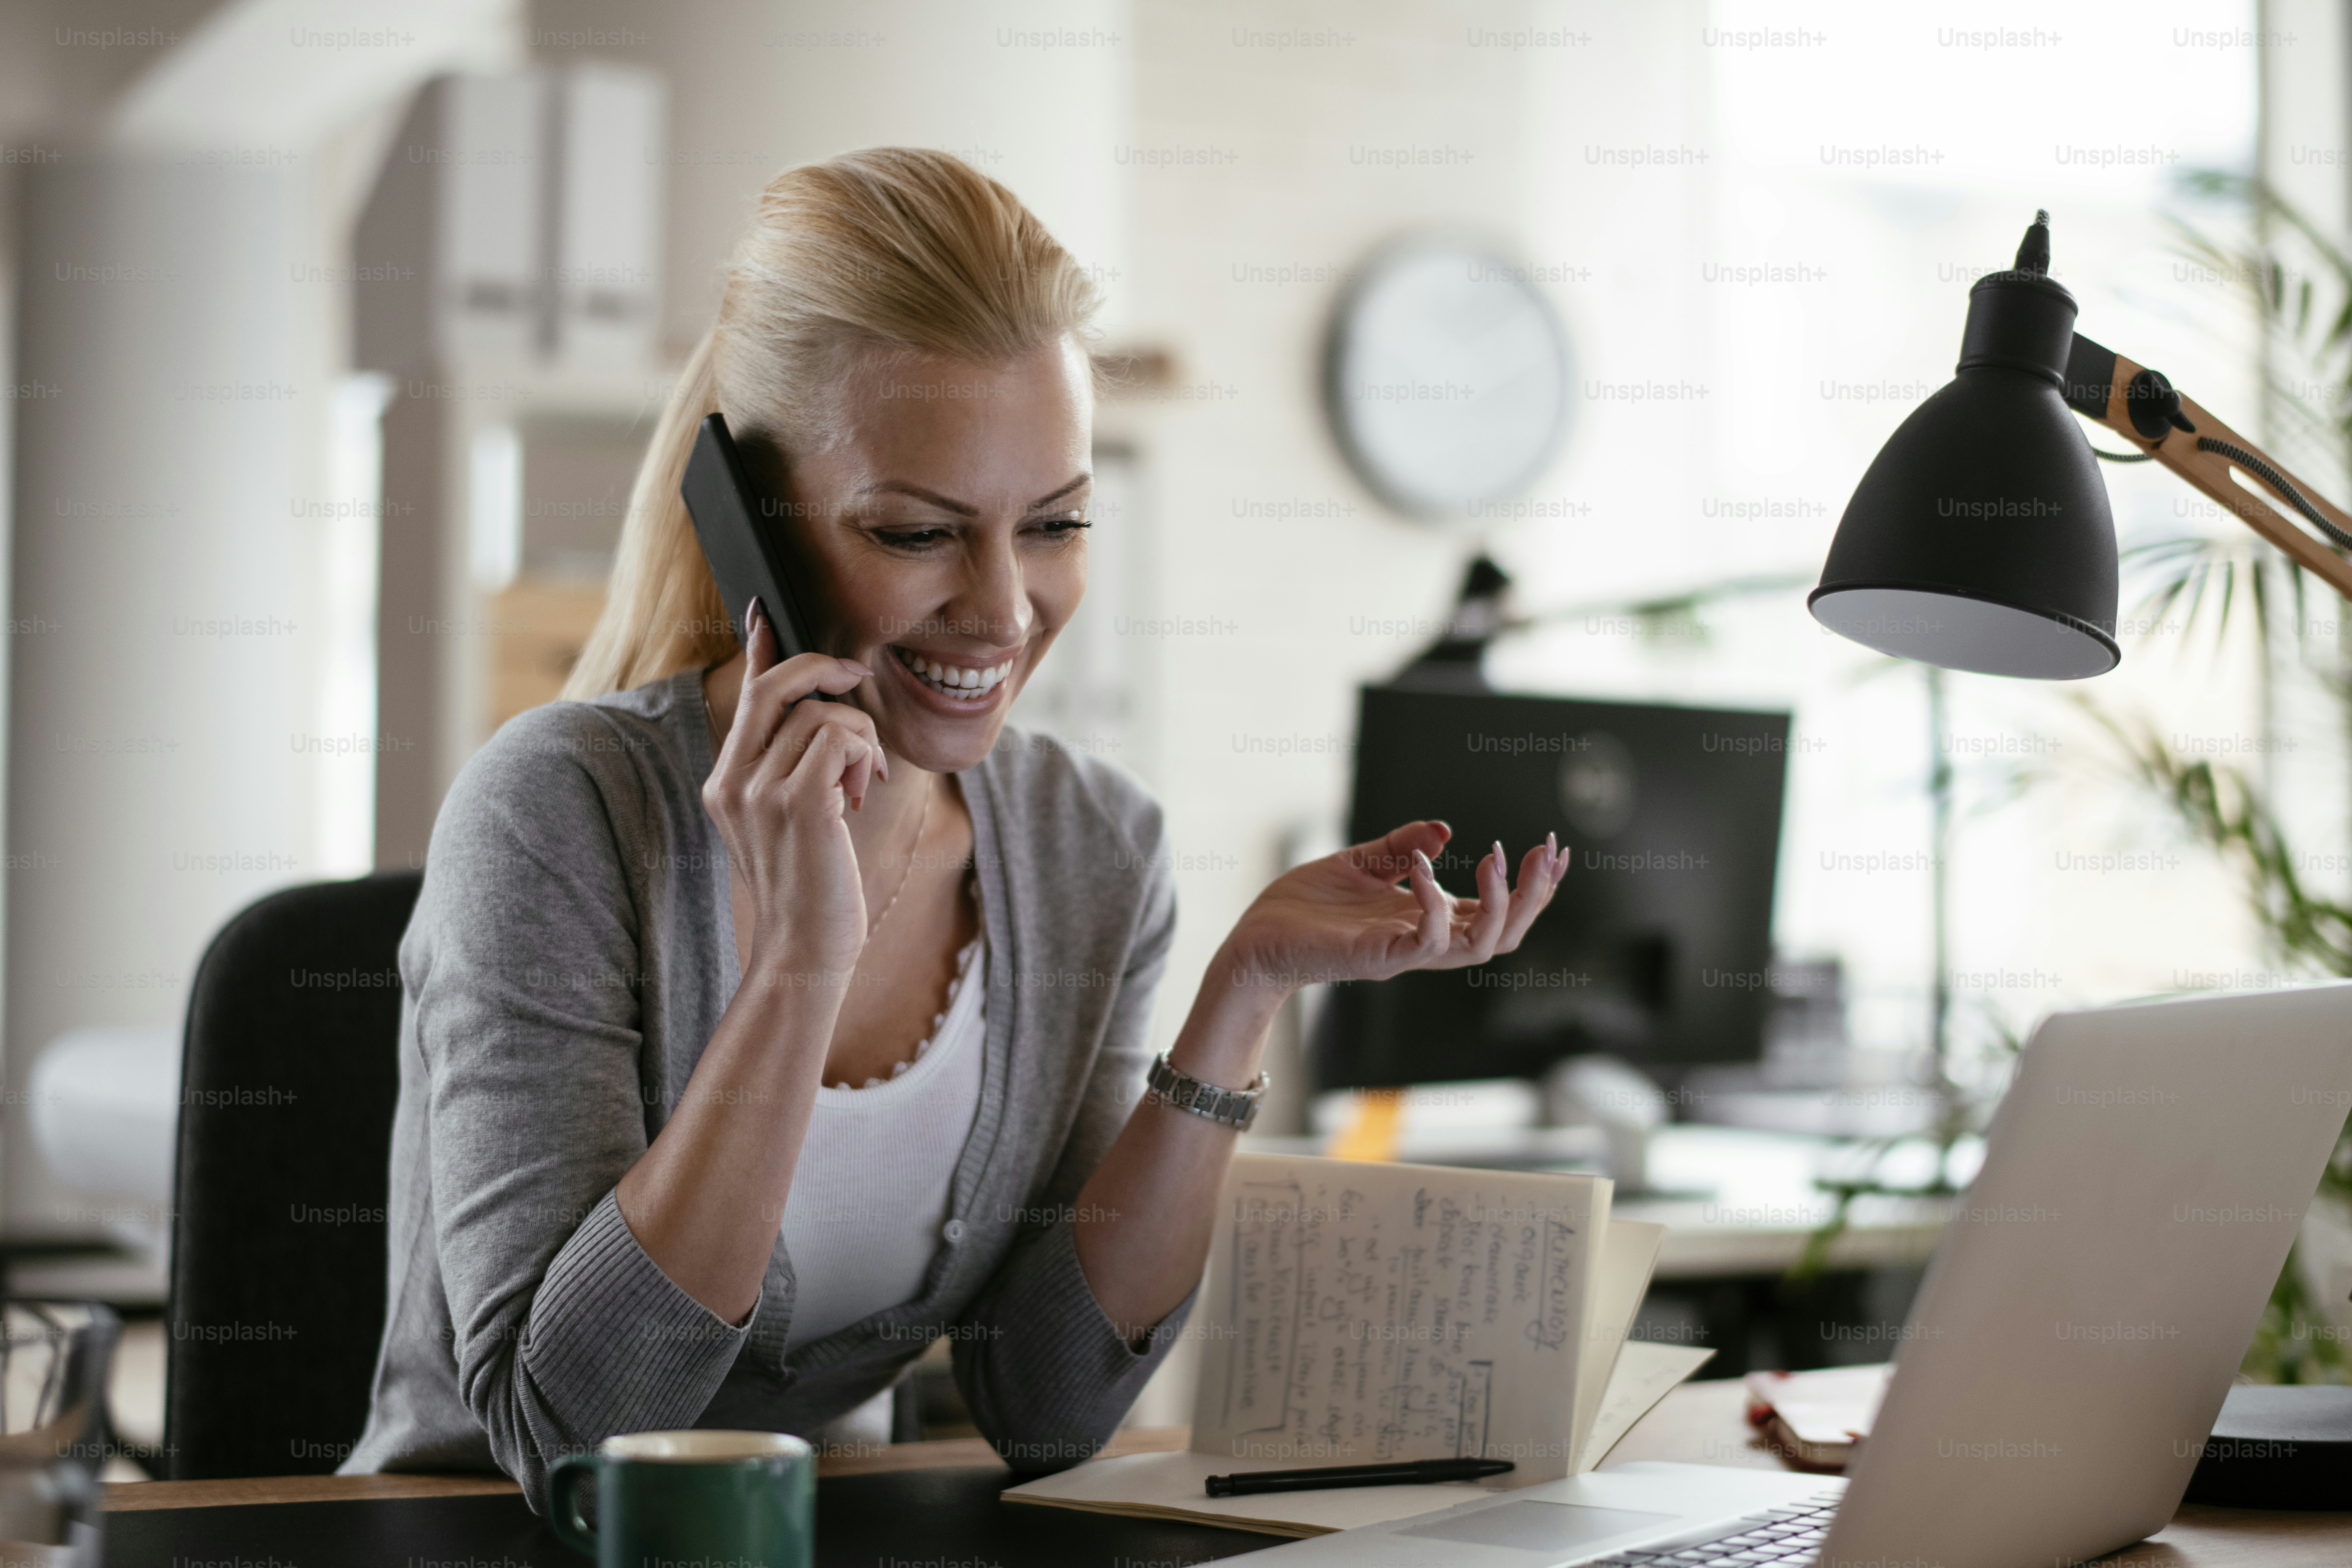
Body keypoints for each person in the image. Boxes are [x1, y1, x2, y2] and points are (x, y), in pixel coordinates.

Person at [343, 148, 1563, 1502]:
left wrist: (1244, 991)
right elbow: (572, 1430)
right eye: (919, 533)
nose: (1003, 609)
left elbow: (1048, 1403)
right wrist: (803, 960)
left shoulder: (1092, 845)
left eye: (1056, 523)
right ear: (754, 523)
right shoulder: (559, 812)